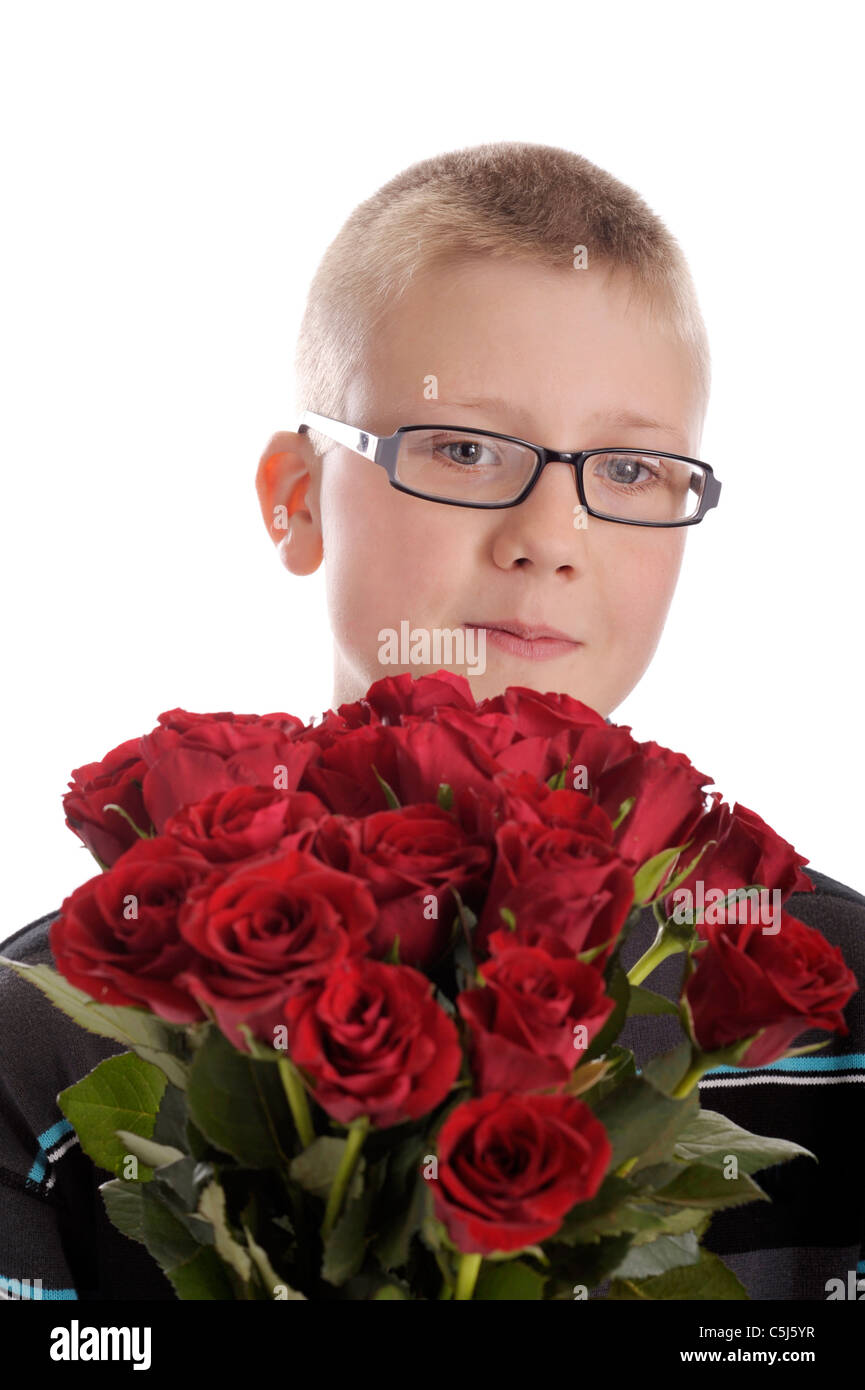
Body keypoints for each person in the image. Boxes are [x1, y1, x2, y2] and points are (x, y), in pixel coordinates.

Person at [2, 141, 863, 1301]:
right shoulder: (54, 1023)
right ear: (294, 498)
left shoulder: (833, 1000)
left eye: (630, 469)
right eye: (462, 447)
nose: (551, 535)